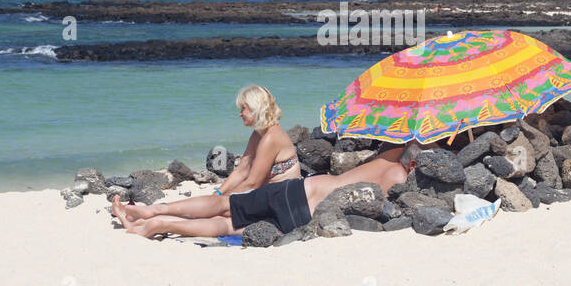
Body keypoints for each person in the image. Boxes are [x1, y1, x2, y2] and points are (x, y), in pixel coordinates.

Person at [114, 143, 425, 239]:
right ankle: (161, 225)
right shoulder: (401, 180)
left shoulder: (390, 155)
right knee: (229, 226)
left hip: (302, 190)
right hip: (304, 216)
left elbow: (406, 144)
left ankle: (153, 211)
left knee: (228, 204)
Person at [119, 85, 299, 227]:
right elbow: (241, 171)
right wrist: (219, 192)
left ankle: (153, 216)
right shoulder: (258, 134)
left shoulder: (270, 138)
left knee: (216, 210)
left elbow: (252, 182)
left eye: (243, 108)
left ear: (255, 109)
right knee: (213, 205)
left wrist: (221, 200)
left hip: (280, 202)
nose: (240, 113)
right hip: (267, 195)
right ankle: (152, 214)